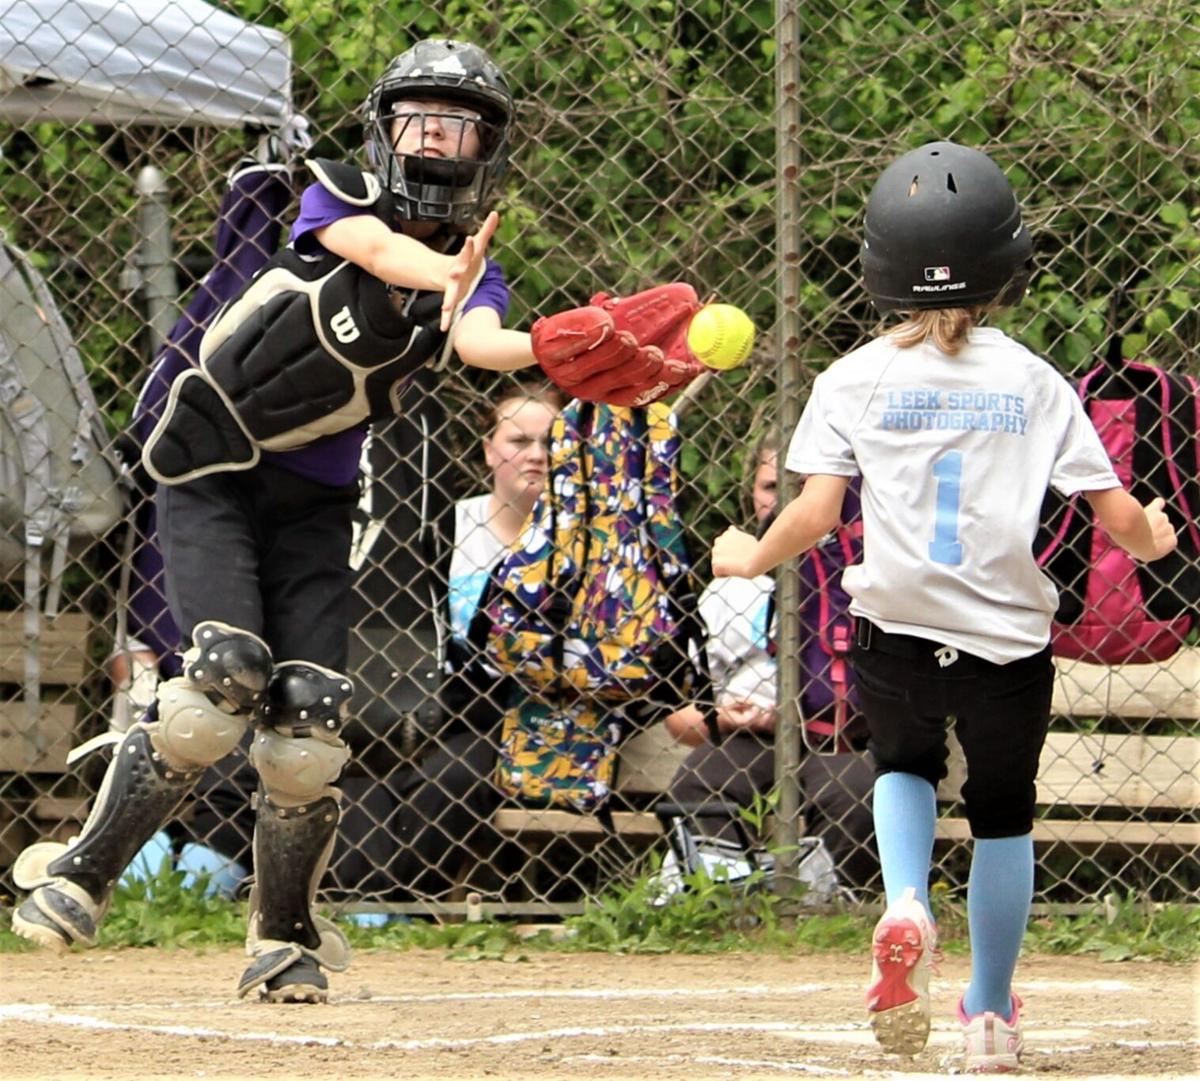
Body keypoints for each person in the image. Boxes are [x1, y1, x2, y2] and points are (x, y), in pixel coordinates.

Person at [10, 38, 543, 1004]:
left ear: (486, 150)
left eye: (459, 127)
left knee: (307, 721)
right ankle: (83, 872)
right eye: (421, 119)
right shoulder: (336, 193)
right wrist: (447, 271)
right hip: (211, 469)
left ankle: (283, 930)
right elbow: (375, 252)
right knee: (221, 681)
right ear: (384, 133)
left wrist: (561, 344)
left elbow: (480, 339)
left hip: (314, 503)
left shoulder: (472, 268)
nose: (438, 140)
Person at [710, 141, 1178, 1072]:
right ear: (1005, 268)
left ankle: (906, 900)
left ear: (882, 267)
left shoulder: (852, 378)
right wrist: (1158, 537)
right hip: (1007, 640)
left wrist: (746, 557)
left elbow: (815, 512)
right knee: (1003, 812)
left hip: (895, 628)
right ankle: (992, 1016)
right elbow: (1115, 515)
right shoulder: (1036, 381)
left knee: (904, 765)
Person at [660, 435, 878, 900]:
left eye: (801, 487)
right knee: (702, 781)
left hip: (842, 740)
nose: (782, 502)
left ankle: (828, 911)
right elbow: (680, 715)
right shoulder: (732, 585)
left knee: (855, 792)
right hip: (749, 737)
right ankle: (717, 902)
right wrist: (722, 719)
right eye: (770, 486)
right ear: (752, 494)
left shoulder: (862, 569)